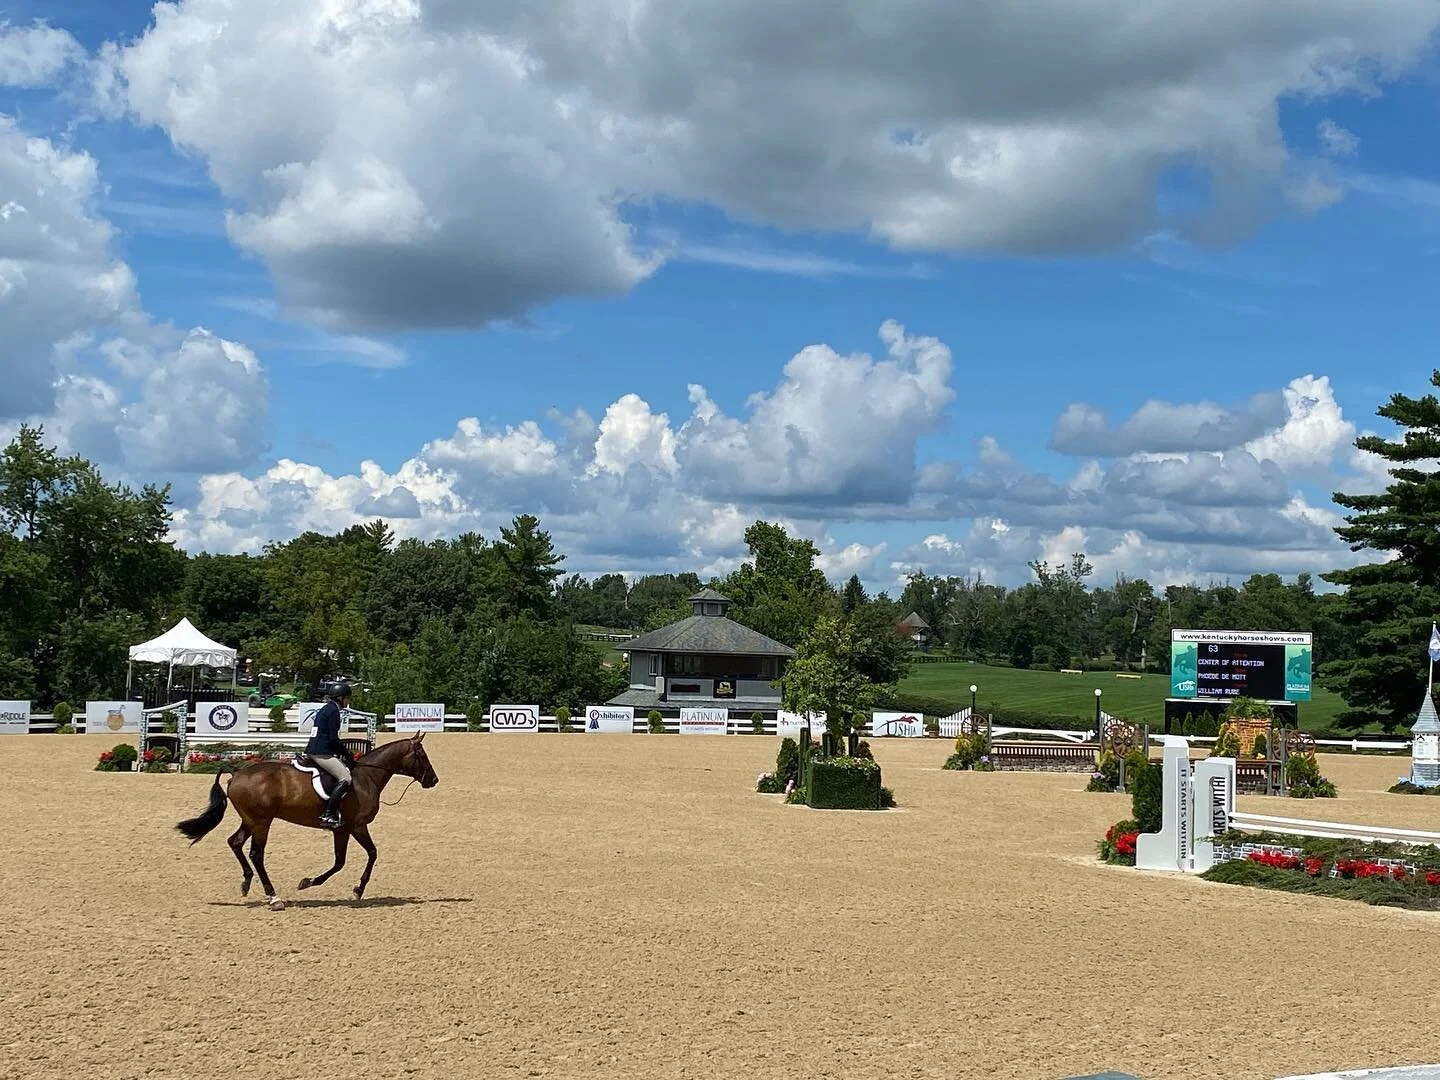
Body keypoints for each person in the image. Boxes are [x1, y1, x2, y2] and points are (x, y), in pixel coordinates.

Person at [306, 683, 356, 829]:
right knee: (346, 778)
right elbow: (333, 739)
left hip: (316, 749)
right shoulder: (333, 711)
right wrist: (347, 753)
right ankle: (328, 814)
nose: (348, 701)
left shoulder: (327, 708)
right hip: (321, 752)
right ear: (341, 698)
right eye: (348, 698)